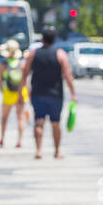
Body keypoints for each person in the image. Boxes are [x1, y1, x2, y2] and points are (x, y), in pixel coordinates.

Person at [21, 27, 76, 160]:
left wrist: (23, 89)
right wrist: (73, 93)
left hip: (37, 93)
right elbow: (67, 75)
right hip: (55, 94)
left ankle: (39, 150)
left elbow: (25, 72)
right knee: (55, 123)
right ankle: (57, 151)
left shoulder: (34, 54)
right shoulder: (60, 54)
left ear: (42, 39)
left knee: (39, 121)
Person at [0, 39, 25, 147]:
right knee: (20, 117)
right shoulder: (21, 64)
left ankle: (2, 139)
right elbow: (25, 80)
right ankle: (19, 141)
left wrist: (2, 91)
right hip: (21, 92)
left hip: (8, 92)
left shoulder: (3, 65)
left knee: (4, 118)